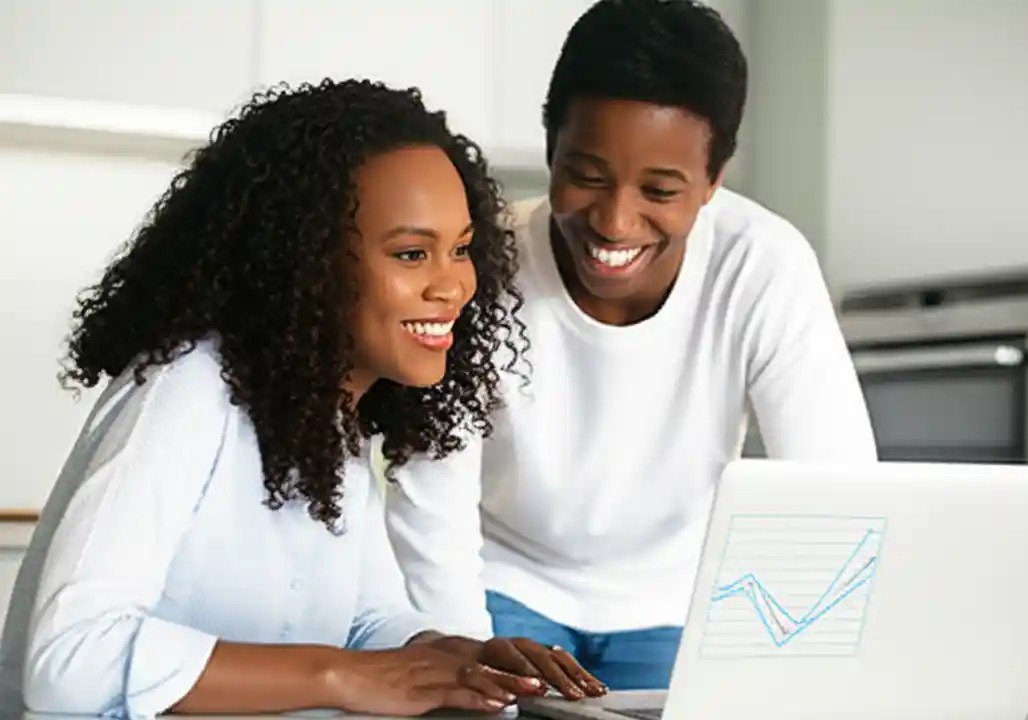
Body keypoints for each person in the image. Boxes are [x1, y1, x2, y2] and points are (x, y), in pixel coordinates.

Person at [0, 79, 604, 717]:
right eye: (411, 254)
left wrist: (452, 657)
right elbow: (67, 661)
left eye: (459, 250)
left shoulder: (331, 417)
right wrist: (341, 676)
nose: (452, 286)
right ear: (304, 259)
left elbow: (364, 620)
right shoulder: (188, 386)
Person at [386, 0, 878, 691]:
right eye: (587, 176)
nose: (615, 222)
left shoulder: (762, 265)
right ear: (552, 149)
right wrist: (461, 657)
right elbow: (431, 498)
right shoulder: (480, 262)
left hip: (677, 603)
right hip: (502, 588)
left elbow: (837, 490)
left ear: (713, 180)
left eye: (660, 189)